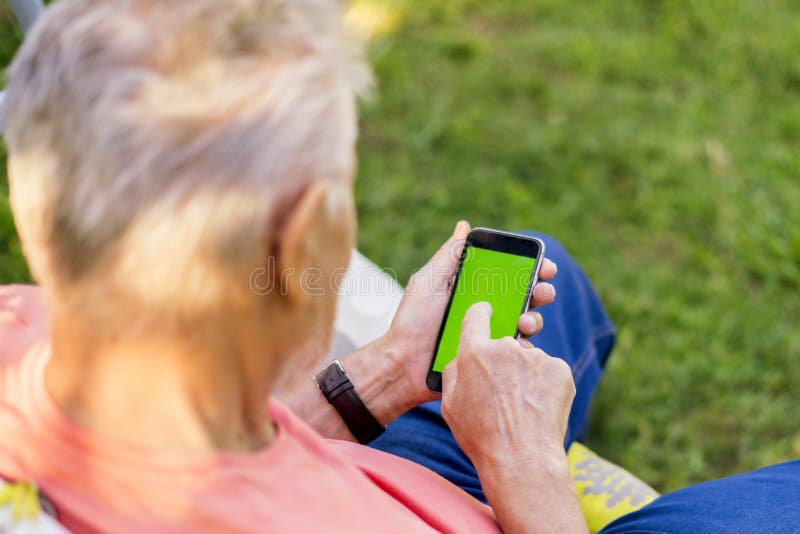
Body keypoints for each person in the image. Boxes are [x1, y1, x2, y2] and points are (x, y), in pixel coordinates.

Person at [0, 1, 797, 533]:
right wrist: (524, 470)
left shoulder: (19, 326)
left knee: (549, 276)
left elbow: (202, 464)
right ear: (309, 236)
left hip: (332, 467)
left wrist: (383, 373)